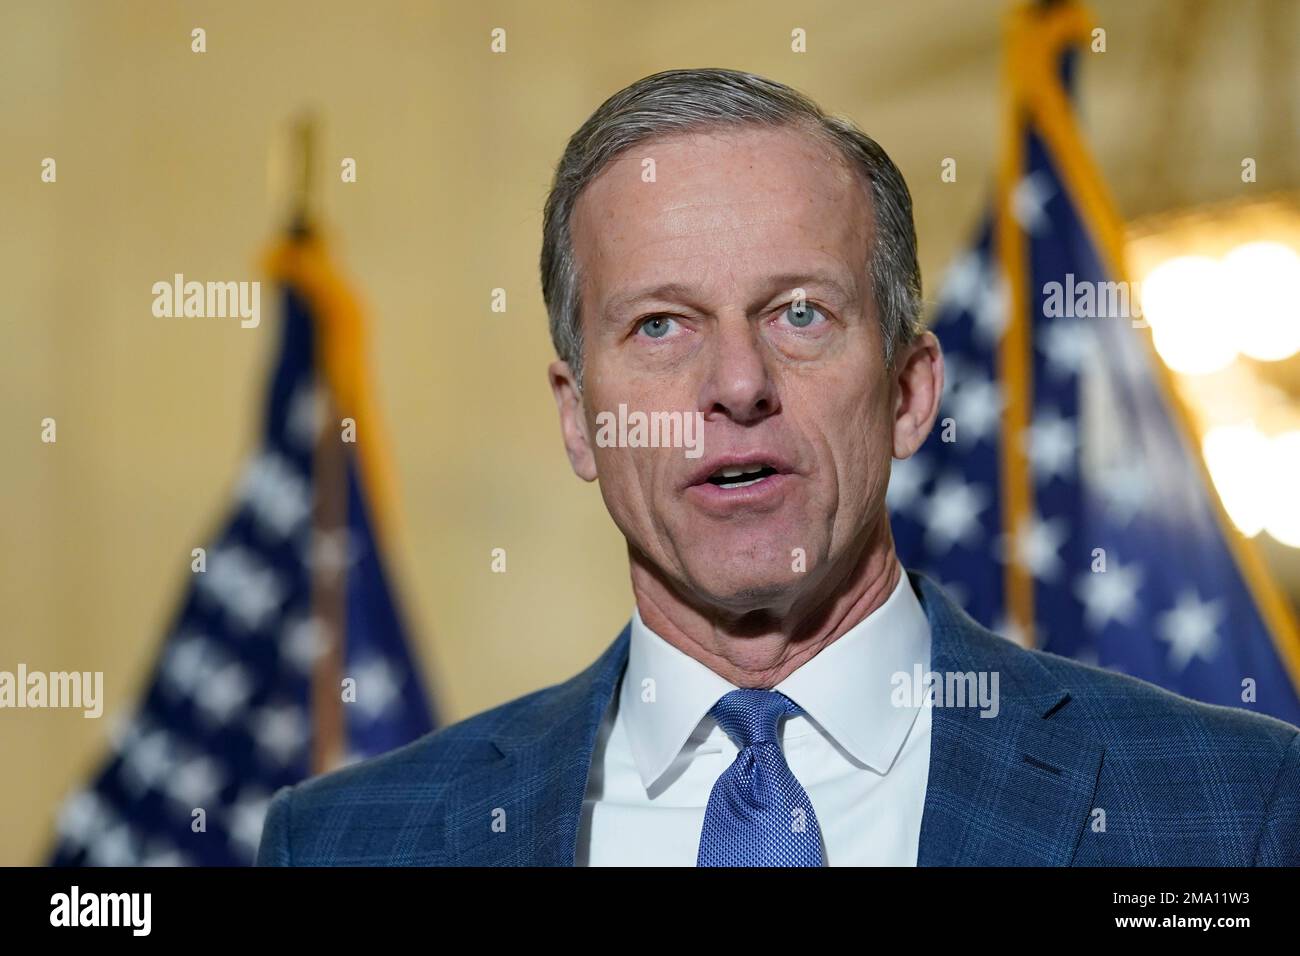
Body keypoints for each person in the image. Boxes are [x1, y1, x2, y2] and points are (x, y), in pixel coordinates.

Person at [258, 68, 1300, 866]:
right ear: (578, 420)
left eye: (799, 312)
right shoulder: (355, 841)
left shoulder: (1231, 803)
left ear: (908, 391)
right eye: (661, 325)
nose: (738, 383)